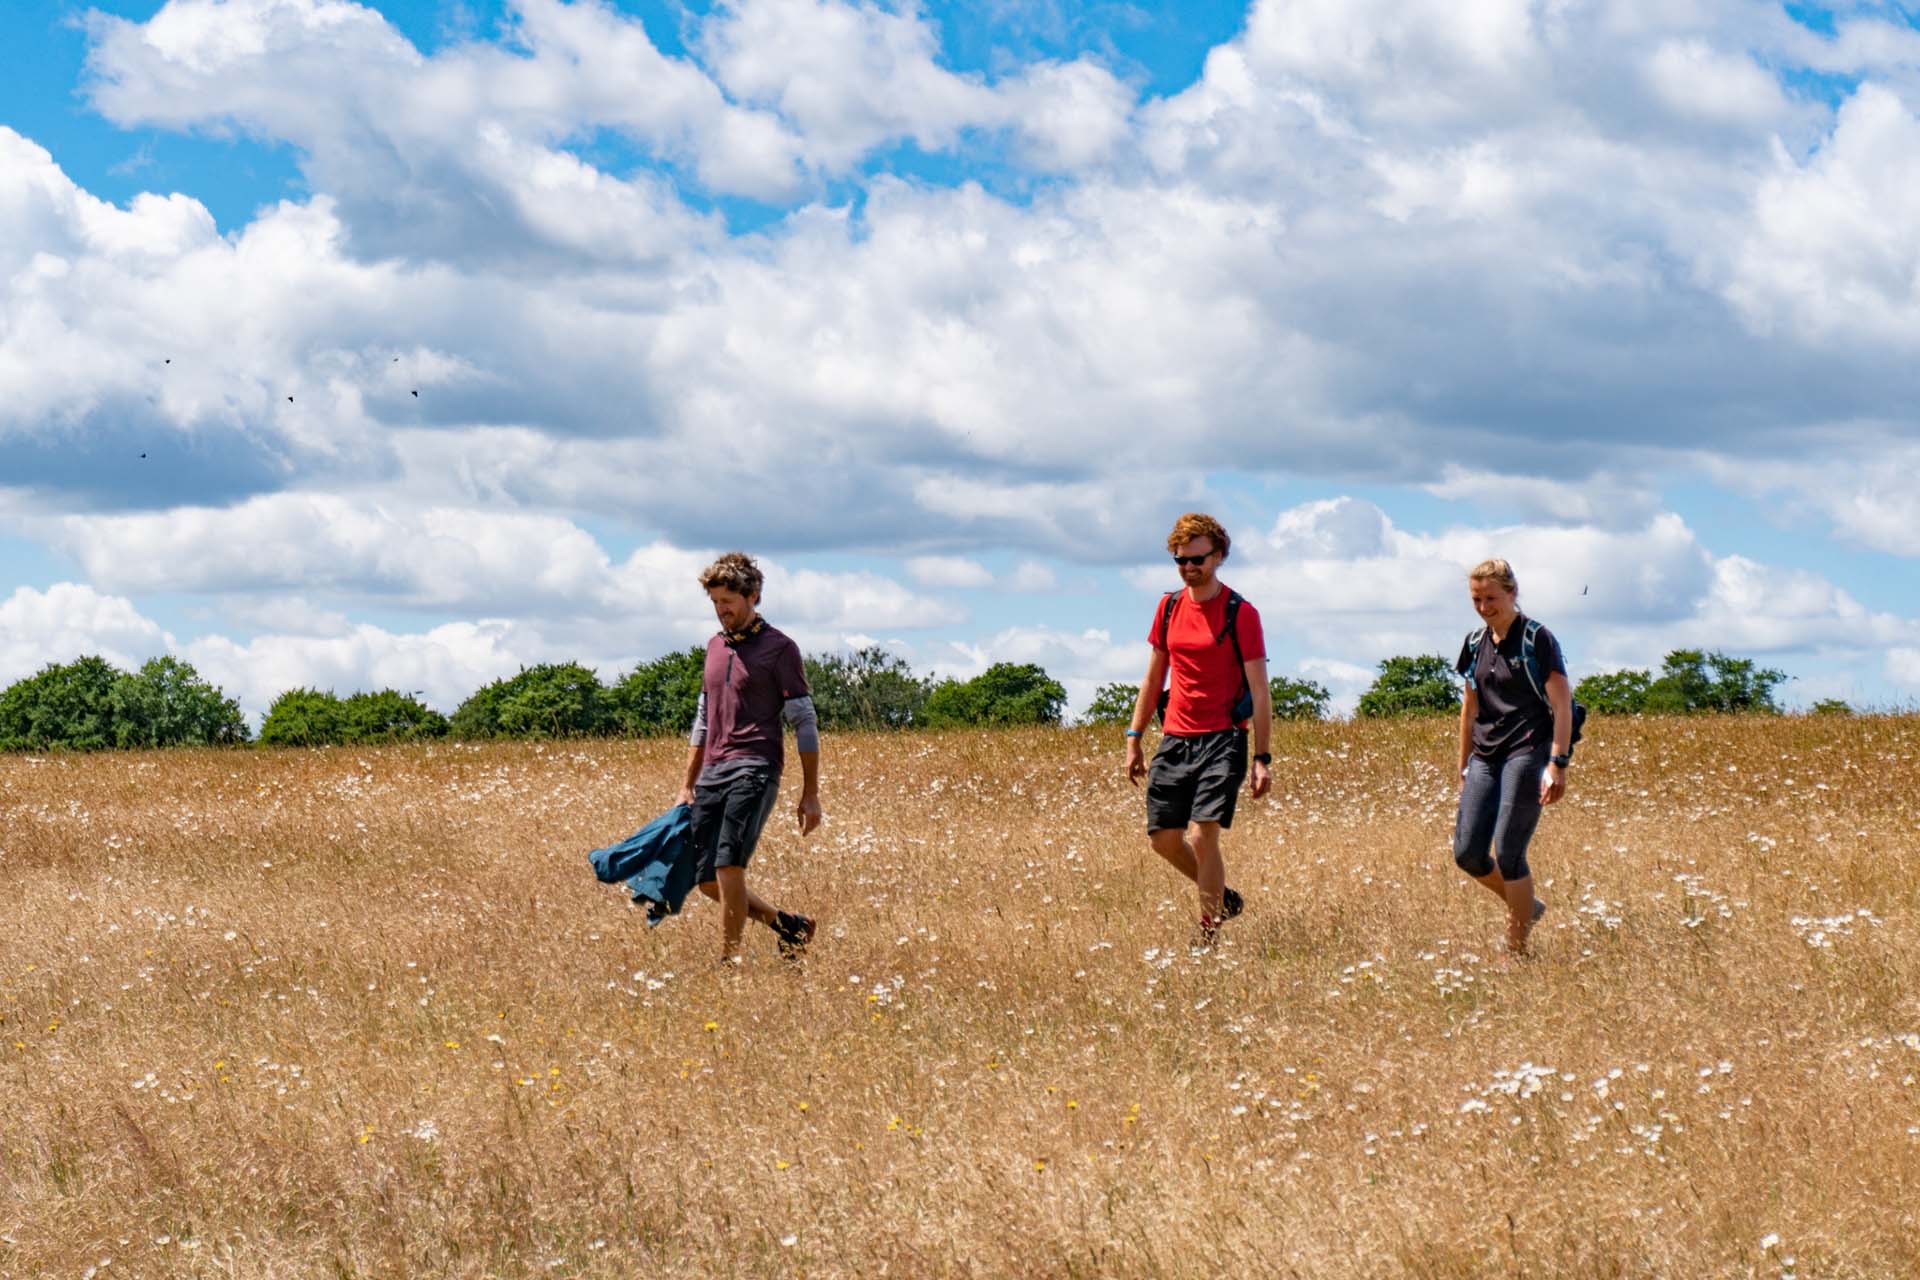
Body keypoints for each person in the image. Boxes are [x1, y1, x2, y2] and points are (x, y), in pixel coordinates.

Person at [1123, 513, 1273, 946]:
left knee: (1201, 834)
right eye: (1180, 561)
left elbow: (1261, 691)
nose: (1189, 568)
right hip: (1174, 737)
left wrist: (1262, 758)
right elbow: (1153, 678)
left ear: (1219, 557)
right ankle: (1221, 897)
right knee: (1164, 841)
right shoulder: (1168, 607)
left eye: (1197, 560)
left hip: (1224, 739)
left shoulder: (1240, 613)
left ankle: (1207, 933)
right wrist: (1134, 738)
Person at [678, 552, 823, 964]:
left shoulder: (780, 649)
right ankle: (789, 926)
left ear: (753, 596)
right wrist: (686, 784)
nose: (721, 610)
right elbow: (703, 721)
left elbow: (804, 721)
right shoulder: (713, 647)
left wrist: (810, 793)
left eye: (728, 601)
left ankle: (729, 963)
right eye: (715, 603)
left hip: (755, 768)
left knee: (728, 866)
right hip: (713, 772)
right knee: (706, 879)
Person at [1452, 558, 1574, 955]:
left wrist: (1557, 765)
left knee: (1507, 851)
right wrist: (1463, 765)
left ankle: (1516, 949)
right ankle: (1527, 906)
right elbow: (1469, 711)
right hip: (1486, 754)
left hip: (1528, 748)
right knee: (1468, 853)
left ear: (1512, 593)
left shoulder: (1536, 638)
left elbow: (1562, 705)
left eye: (1491, 598)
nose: (1484, 607)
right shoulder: (1474, 644)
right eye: (1476, 599)